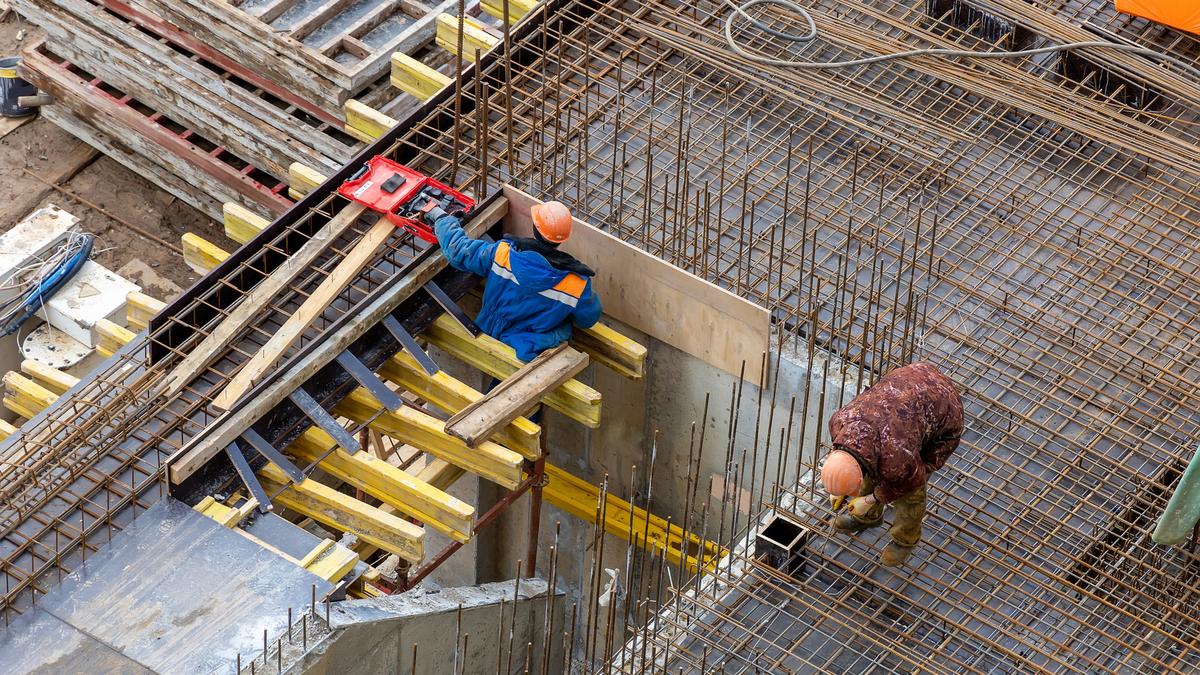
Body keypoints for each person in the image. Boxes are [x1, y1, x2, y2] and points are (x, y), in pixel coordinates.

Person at [820, 361, 963, 566]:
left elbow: (911, 481)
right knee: (872, 468)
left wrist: (871, 499)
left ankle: (905, 539)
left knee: (910, 494)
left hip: (943, 410)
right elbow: (853, 458)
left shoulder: (896, 458)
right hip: (908, 385)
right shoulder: (839, 422)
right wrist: (838, 489)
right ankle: (867, 518)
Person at [423, 199, 602, 362]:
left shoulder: (503, 255)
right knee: (565, 327)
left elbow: (459, 252)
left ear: (535, 228)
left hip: (489, 332)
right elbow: (588, 319)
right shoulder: (576, 285)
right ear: (563, 238)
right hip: (530, 349)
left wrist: (441, 218)